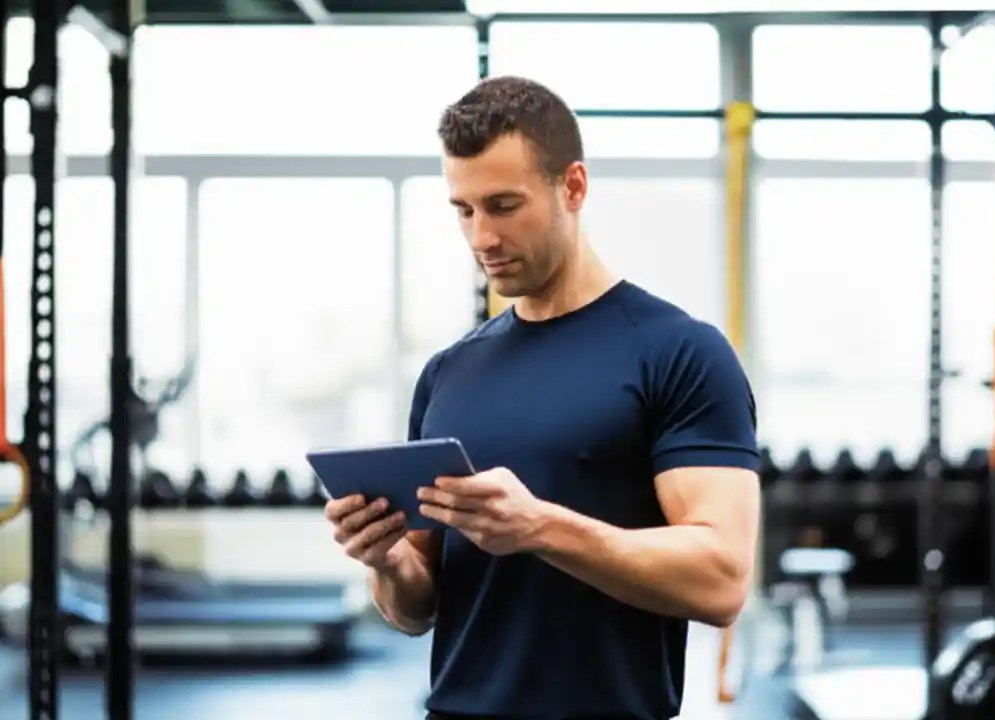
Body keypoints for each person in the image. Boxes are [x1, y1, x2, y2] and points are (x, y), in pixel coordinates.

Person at [324, 75, 762, 720]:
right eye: (463, 210)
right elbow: (415, 612)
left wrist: (540, 527)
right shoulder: (449, 372)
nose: (481, 239)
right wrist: (388, 562)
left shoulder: (680, 353)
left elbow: (722, 580)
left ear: (574, 187)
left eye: (504, 206)